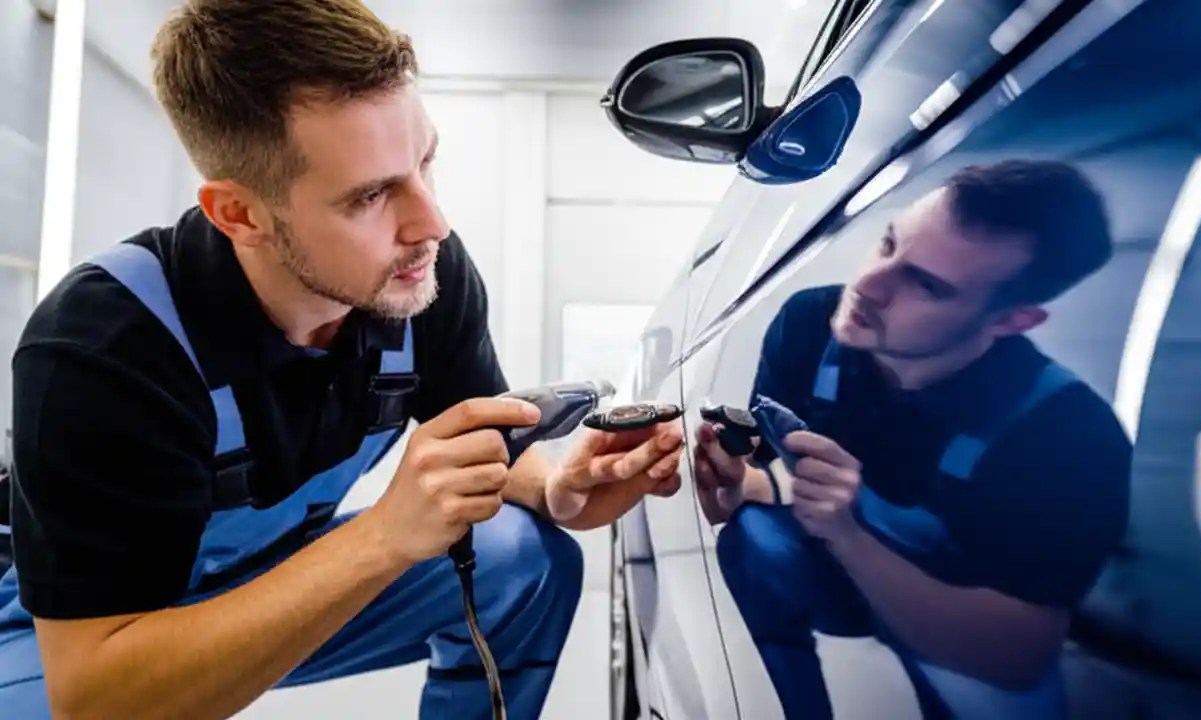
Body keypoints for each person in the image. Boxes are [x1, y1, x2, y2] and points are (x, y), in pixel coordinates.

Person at [0, 2, 685, 719]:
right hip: (65, 638)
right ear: (239, 215)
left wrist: (558, 492)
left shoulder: (416, 280)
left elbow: (489, 444)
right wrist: (384, 537)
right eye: (369, 195)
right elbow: (96, 698)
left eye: (424, 163)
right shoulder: (105, 346)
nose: (432, 224)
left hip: (252, 580)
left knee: (521, 554)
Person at [693, 160, 1133, 719]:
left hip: (965, 638)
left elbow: (1016, 655)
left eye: (925, 284)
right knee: (756, 538)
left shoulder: (1070, 436)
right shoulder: (809, 327)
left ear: (1012, 320)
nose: (869, 286)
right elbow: (775, 483)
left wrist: (846, 533)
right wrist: (735, 487)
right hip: (846, 582)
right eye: (888, 243)